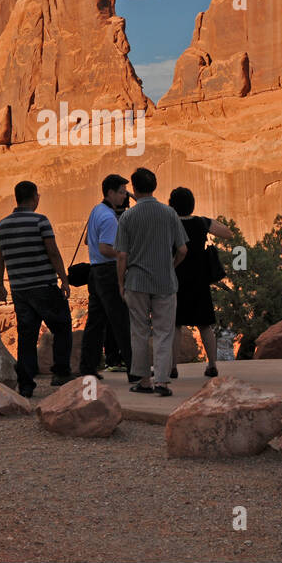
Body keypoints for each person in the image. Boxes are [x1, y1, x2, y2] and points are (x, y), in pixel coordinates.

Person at [0, 181, 74, 398]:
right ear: (34, 197)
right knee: (62, 327)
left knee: (26, 337)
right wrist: (64, 280)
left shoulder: (2, 225)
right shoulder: (40, 221)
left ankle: (26, 385)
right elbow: (53, 252)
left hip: (20, 290)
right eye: (38, 195)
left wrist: (0, 285)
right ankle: (61, 373)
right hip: (44, 286)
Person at [115, 167, 187, 397]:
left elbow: (122, 255)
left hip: (136, 282)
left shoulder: (127, 217)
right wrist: (170, 266)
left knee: (139, 331)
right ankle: (162, 382)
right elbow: (183, 249)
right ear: (154, 186)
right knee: (164, 332)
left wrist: (120, 282)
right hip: (165, 281)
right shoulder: (169, 214)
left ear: (133, 189)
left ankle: (144, 380)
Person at [168, 187, 234, 379]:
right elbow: (228, 233)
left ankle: (172, 367)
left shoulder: (170, 223)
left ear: (172, 204)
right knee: (205, 325)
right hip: (199, 280)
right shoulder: (201, 222)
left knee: (175, 324)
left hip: (176, 277)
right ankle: (212, 365)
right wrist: (208, 222)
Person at [80, 174, 133, 380]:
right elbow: (105, 248)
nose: (123, 197)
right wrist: (123, 255)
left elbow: (88, 241)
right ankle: (134, 370)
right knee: (121, 321)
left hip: (95, 272)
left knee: (95, 322)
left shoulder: (96, 211)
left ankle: (87, 368)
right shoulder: (109, 217)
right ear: (110, 192)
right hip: (108, 272)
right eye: (121, 192)